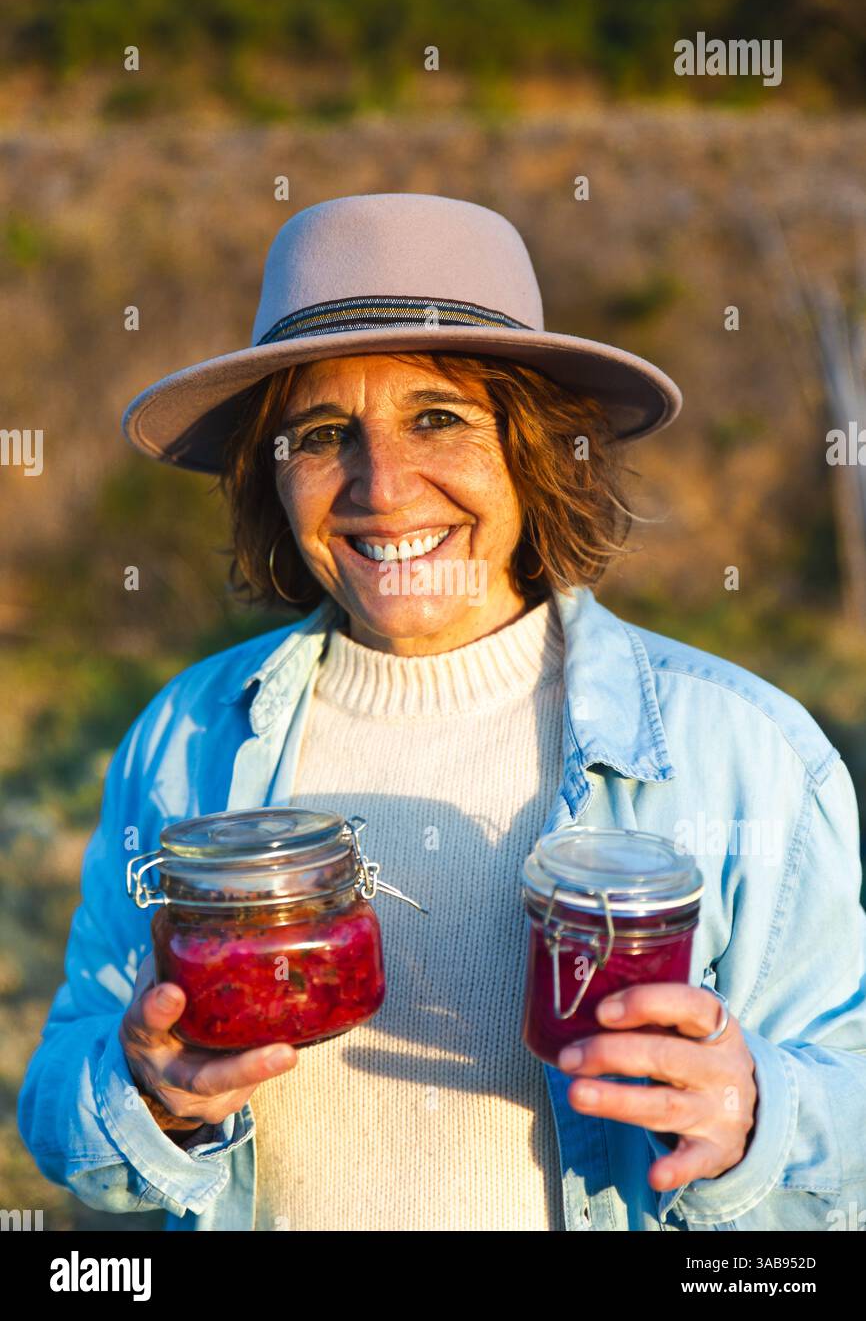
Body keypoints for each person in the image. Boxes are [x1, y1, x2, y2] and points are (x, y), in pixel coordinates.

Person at [18, 192, 866, 1232]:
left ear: (535, 447)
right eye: (323, 434)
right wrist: (151, 1097)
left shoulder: (747, 753)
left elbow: (845, 1112)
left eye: (437, 418)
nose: (383, 487)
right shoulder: (184, 741)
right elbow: (61, 1111)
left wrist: (754, 1116)